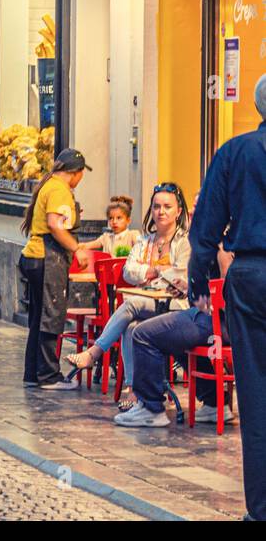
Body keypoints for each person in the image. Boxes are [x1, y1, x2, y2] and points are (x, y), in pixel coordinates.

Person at [173, 74, 266, 520]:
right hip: (250, 274)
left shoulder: (234, 152)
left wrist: (198, 280)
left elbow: (205, 228)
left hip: (251, 277)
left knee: (256, 391)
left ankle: (260, 508)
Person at [64, 184, 191, 410]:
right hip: (151, 304)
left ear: (178, 211)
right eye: (157, 207)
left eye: (167, 207)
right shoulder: (145, 241)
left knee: (131, 304)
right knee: (131, 327)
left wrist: (155, 273)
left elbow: (181, 274)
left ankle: (94, 353)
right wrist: (155, 271)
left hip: (177, 307)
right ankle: (134, 390)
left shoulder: (184, 242)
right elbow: (128, 271)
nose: (161, 212)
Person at [19, 148, 91, 389]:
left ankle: (33, 374)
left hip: (34, 256)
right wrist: (77, 248)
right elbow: (55, 225)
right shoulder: (60, 190)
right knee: (51, 316)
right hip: (46, 259)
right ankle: (48, 375)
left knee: (39, 317)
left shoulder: (49, 186)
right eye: (82, 174)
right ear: (75, 172)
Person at [78, 196, 141, 262]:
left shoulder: (133, 235)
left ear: (128, 220)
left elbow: (142, 249)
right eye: (111, 218)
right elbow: (86, 245)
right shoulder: (106, 238)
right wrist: (75, 247)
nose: (114, 222)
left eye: (119, 218)